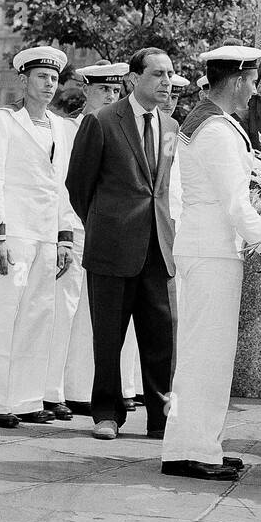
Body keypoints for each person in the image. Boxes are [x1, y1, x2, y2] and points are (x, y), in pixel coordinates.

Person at [161, 45, 261, 482]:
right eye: (251, 80)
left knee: (203, 352)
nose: (254, 89)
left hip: (208, 249)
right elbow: (236, 204)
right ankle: (190, 450)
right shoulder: (216, 130)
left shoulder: (210, 122)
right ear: (235, 79)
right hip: (211, 251)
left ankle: (197, 443)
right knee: (205, 354)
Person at [66, 48, 179, 442]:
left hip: (158, 249)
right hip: (111, 249)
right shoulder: (101, 121)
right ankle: (107, 414)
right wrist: (104, 224)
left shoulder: (170, 125)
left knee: (162, 336)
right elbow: (77, 186)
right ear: (133, 78)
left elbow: (161, 189)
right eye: (157, 74)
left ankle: (162, 419)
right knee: (108, 337)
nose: (166, 81)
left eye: (170, 74)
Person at [0, 47, 76, 429]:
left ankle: (27, 398)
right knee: (3, 316)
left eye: (53, 79)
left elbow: (62, 186)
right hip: (13, 233)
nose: (49, 85)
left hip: (47, 235)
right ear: (24, 79)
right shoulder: (3, 121)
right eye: (41, 77)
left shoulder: (60, 128)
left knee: (38, 317)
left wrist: (64, 237)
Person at [54, 63, 143, 419]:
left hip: (103, 235)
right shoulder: (68, 129)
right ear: (86, 90)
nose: (109, 96)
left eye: (115, 91)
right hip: (73, 231)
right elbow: (65, 185)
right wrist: (66, 231)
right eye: (102, 90)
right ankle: (56, 390)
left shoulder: (117, 128)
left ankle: (82, 389)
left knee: (93, 319)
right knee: (65, 314)